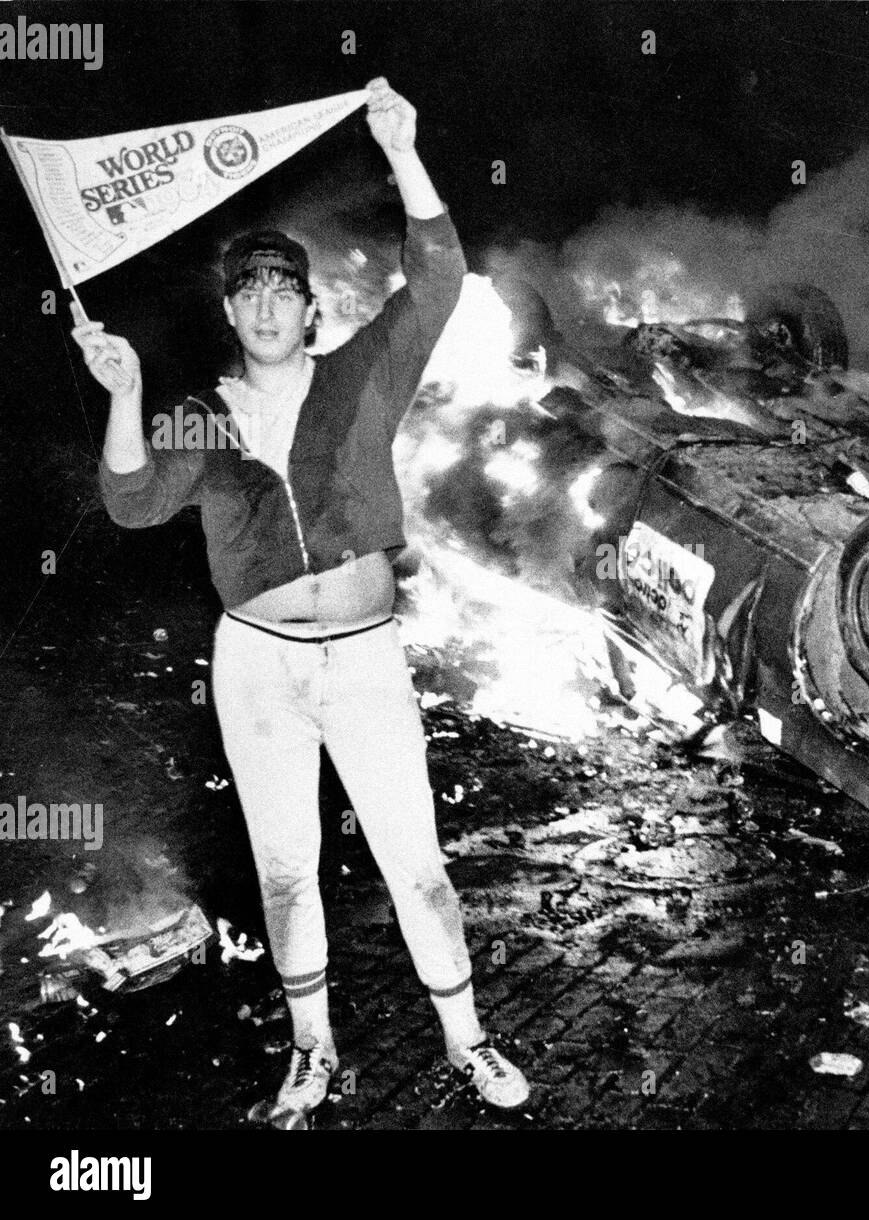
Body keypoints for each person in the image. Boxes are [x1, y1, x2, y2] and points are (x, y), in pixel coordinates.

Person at [73, 78, 529, 1115]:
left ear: (311, 306)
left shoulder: (363, 373)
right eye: (250, 291)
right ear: (230, 311)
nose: (269, 304)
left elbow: (441, 272)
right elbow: (134, 502)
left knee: (417, 863)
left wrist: (403, 150)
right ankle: (311, 1048)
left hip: (365, 658)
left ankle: (468, 1039)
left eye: (286, 288)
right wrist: (129, 395)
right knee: (287, 872)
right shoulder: (201, 415)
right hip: (259, 669)